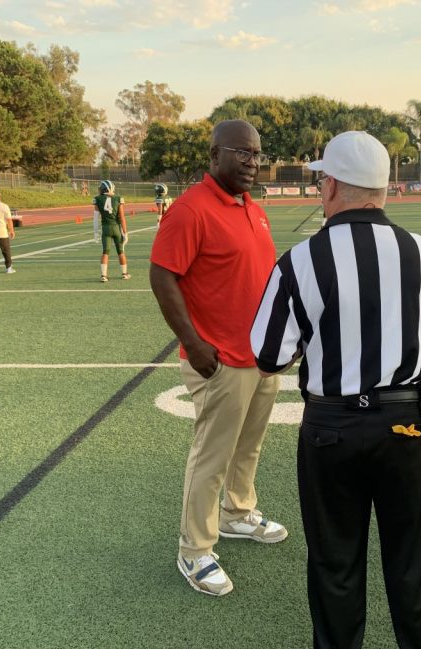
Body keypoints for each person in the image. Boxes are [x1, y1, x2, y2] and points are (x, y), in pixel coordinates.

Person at [251, 131, 421, 649]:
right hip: (406, 423)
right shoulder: (420, 251)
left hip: (331, 427)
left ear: (332, 185)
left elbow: (268, 355)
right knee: (417, 564)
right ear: (383, 188)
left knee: (334, 564)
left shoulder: (300, 259)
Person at [150, 120, 286, 598]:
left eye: (257, 154)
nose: (252, 162)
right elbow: (162, 277)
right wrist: (193, 342)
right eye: (242, 152)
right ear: (214, 156)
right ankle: (195, 549)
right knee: (212, 456)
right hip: (220, 359)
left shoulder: (254, 209)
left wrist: (278, 342)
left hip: (259, 357)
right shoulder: (191, 210)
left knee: (248, 446)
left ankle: (237, 513)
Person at [92, 180, 130, 283]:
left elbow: (95, 218)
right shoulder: (118, 198)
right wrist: (125, 232)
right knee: (121, 251)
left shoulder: (98, 199)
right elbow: (122, 217)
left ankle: (104, 276)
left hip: (106, 228)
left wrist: (95, 232)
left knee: (105, 252)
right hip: (116, 228)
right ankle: (124, 274)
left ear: (103, 189)